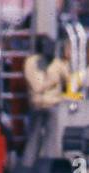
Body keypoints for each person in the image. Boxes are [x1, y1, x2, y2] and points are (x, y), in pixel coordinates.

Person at [23, 35, 67, 163]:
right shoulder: (31, 63)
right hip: (37, 105)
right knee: (33, 138)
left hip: (52, 105)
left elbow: (69, 79)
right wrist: (51, 82)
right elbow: (36, 86)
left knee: (52, 139)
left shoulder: (57, 63)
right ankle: (28, 167)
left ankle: (50, 165)